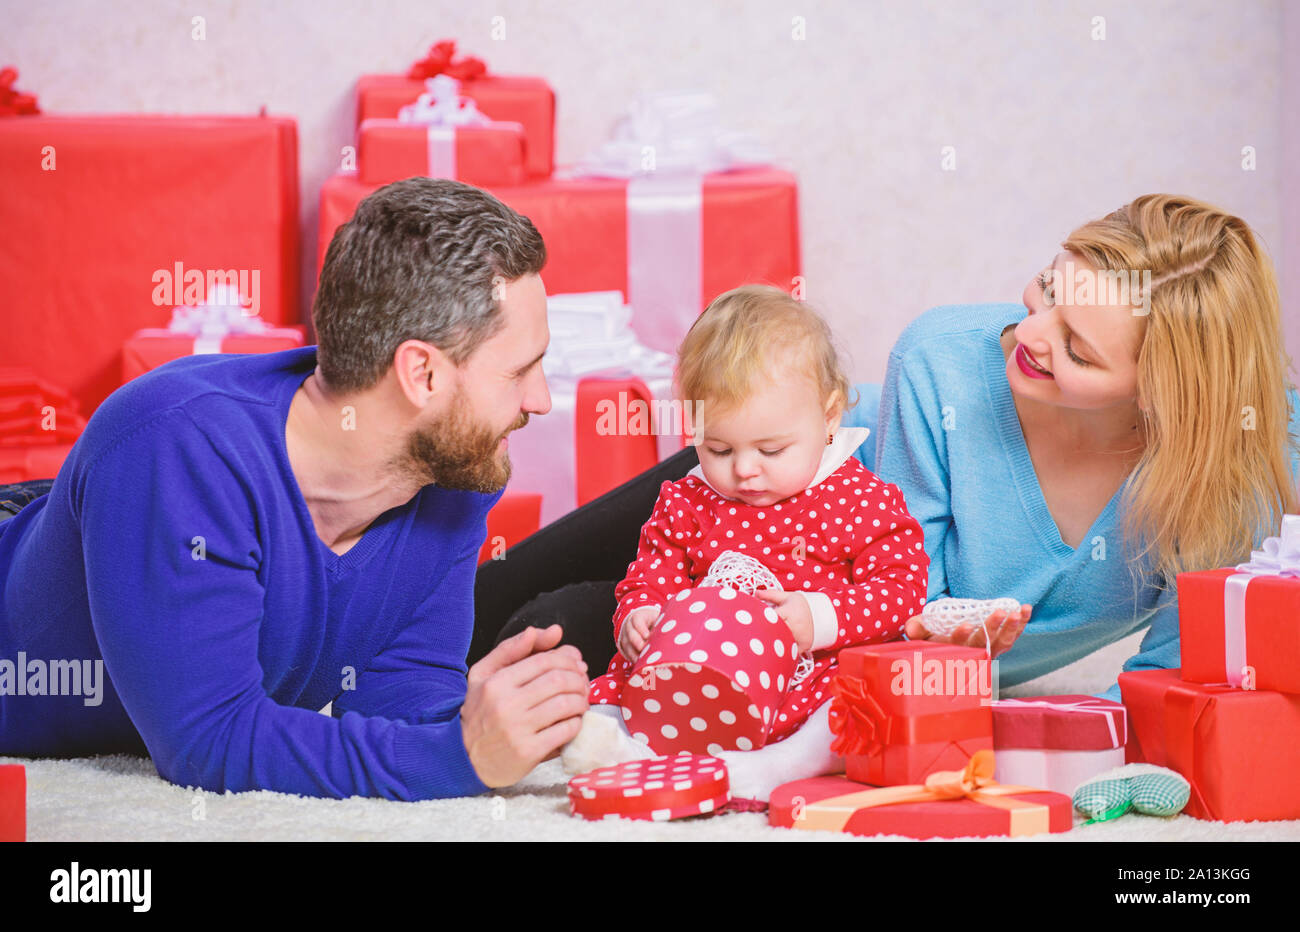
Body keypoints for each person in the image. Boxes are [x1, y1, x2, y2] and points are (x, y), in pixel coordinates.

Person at [474, 193, 1299, 799]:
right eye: (1049, 289)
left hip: (805, 621)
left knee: (551, 643)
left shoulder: (1234, 474)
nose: (1033, 333)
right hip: (782, 467)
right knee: (503, 595)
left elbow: (1169, 693)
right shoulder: (943, 358)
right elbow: (894, 595)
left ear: (1161, 394)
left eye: (1077, 348)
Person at [0, 178, 590, 800]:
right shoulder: (177, 447)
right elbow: (208, 742)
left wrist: (491, 727)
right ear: (421, 373)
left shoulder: (450, 472)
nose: (541, 400)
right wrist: (457, 757)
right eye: (520, 370)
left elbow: (404, 698)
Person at [558, 286, 931, 779]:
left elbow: (902, 591)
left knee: (861, 700)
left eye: (771, 450)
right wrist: (640, 613)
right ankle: (628, 745)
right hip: (699, 668)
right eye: (718, 448)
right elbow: (650, 574)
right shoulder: (689, 500)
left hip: (813, 671)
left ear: (829, 416)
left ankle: (783, 763)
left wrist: (819, 618)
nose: (745, 471)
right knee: (624, 686)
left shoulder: (860, 498)